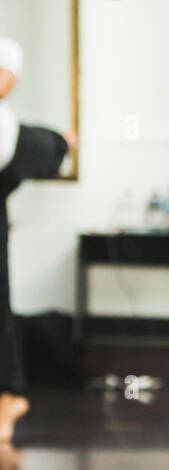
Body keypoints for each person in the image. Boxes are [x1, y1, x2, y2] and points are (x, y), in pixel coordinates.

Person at [0, 36, 74, 443]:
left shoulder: (6, 50)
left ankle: (9, 395)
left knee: (49, 145)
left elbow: (5, 75)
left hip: (8, 153)